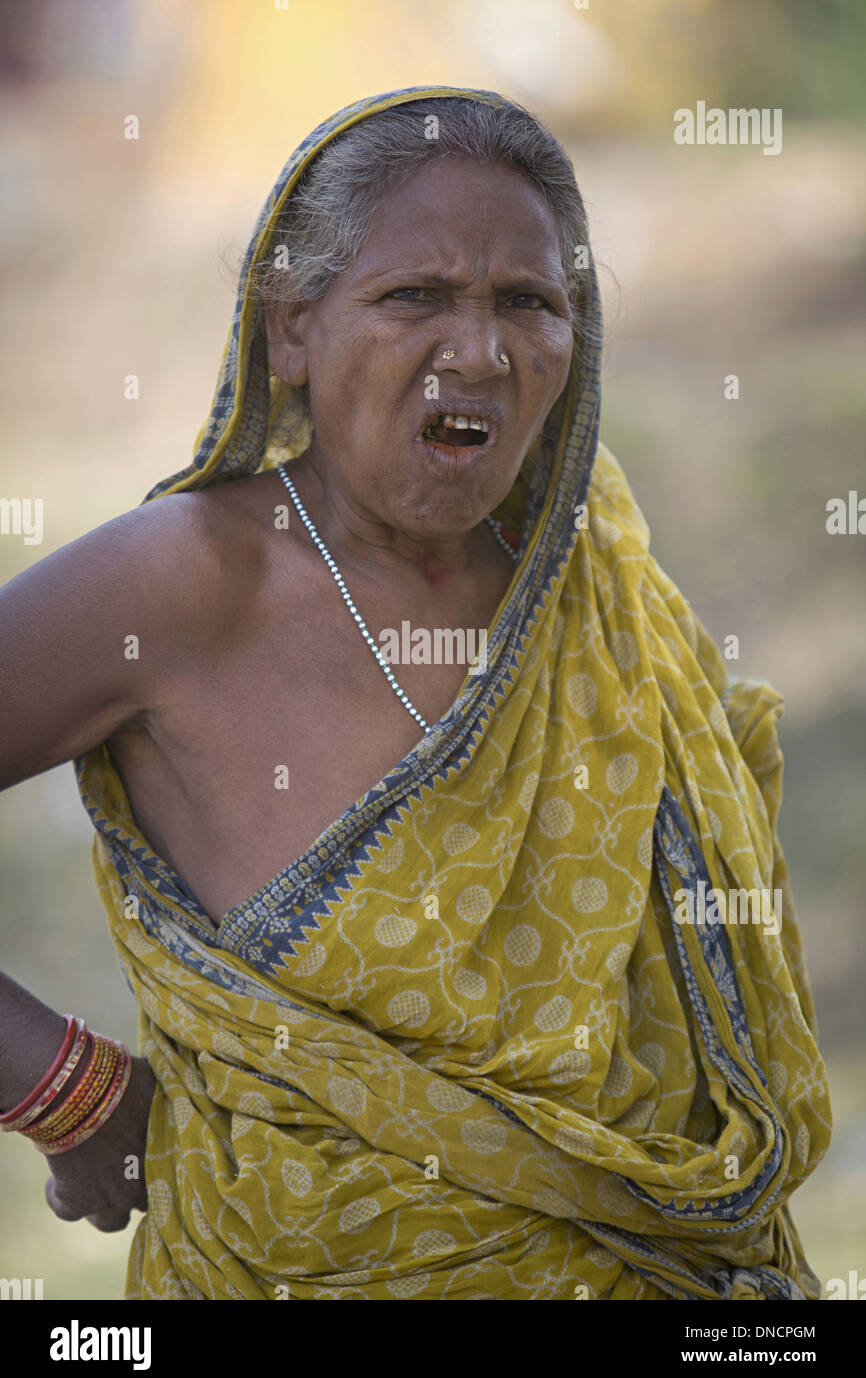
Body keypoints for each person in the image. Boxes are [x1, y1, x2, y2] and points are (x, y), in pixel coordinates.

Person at [0, 85, 831, 1300]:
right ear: (290, 329)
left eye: (527, 304)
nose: (480, 353)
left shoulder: (595, 592)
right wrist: (66, 1090)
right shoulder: (187, 579)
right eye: (413, 297)